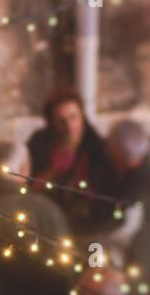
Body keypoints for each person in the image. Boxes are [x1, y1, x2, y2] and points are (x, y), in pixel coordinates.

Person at [97, 119, 150, 295]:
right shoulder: (139, 174)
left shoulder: (143, 182)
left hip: (131, 256)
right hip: (132, 254)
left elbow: (125, 226)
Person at [25, 88, 112, 233]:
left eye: (73, 117)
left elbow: (105, 191)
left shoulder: (98, 149)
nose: (69, 126)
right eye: (61, 121)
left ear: (82, 116)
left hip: (86, 220)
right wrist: (52, 172)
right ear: (52, 122)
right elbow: (29, 185)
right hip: (45, 216)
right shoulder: (40, 144)